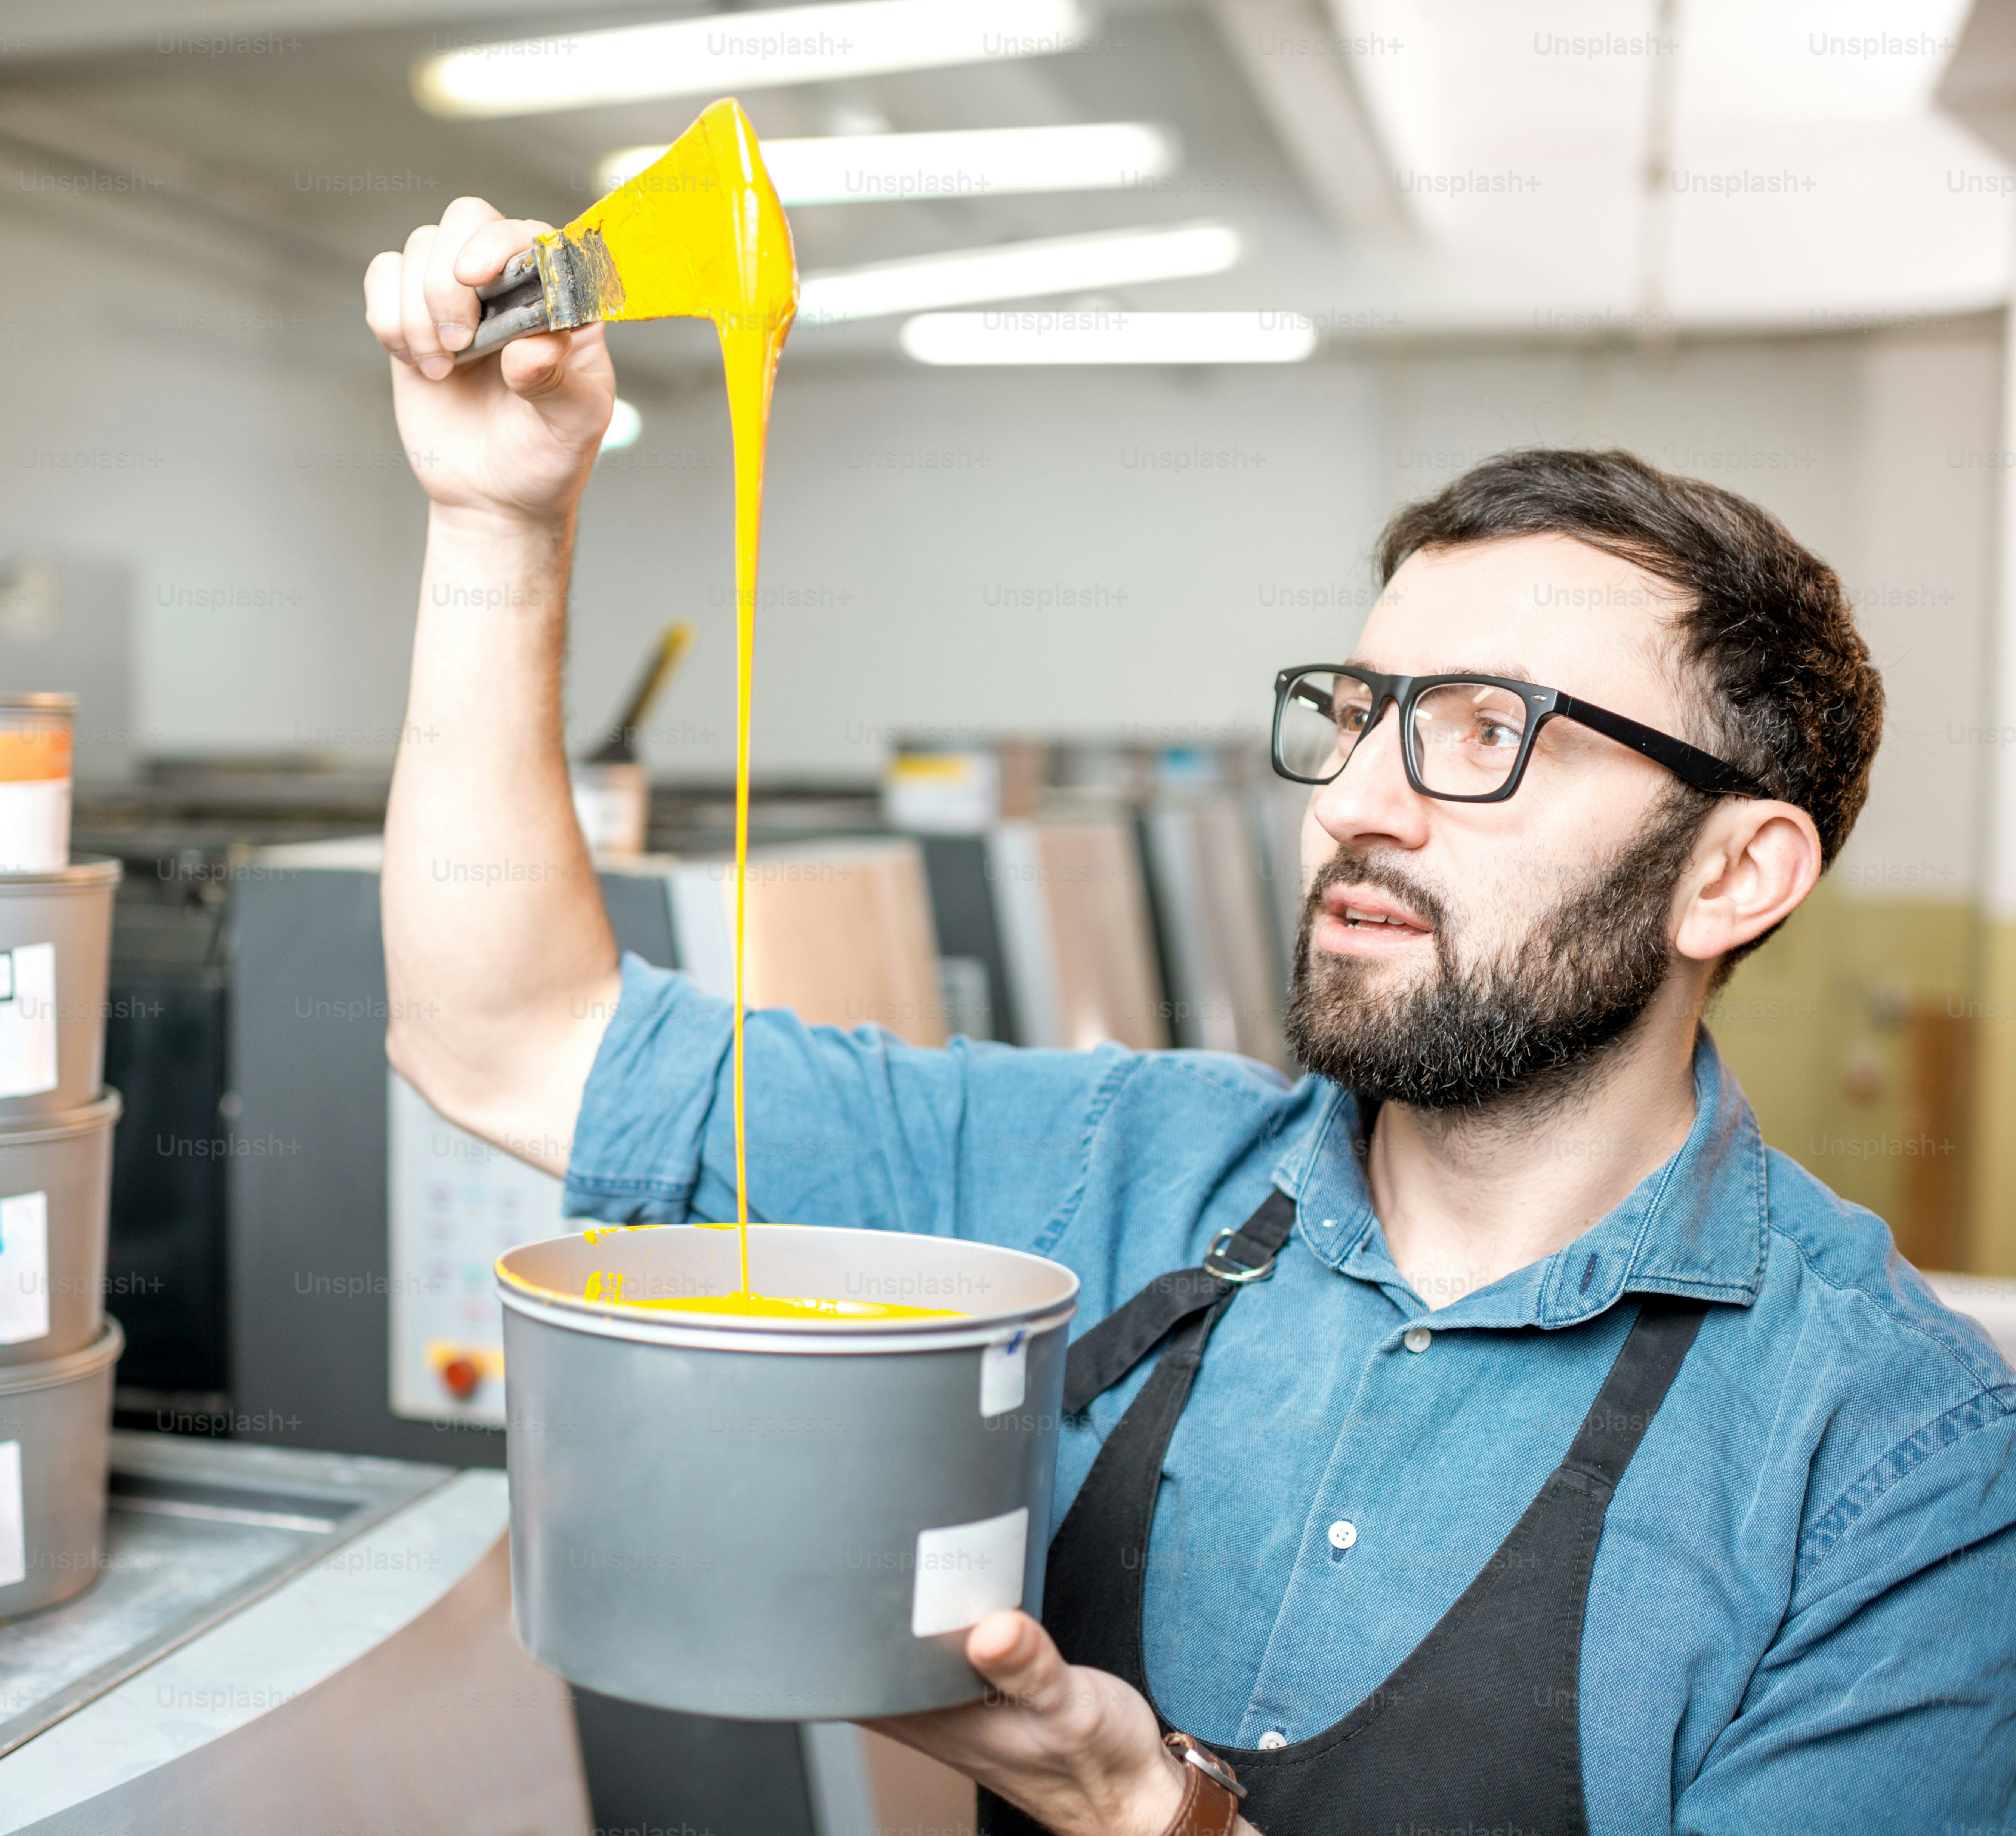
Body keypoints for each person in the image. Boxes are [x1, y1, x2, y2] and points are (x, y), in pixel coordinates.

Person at [363, 200, 2016, 1836]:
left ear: (1731, 873)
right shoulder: (1113, 1169)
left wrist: (1158, 1820)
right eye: (1355, 715)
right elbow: (504, 1039)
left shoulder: (1903, 1465)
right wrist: (495, 519)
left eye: (1481, 730)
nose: (1356, 801)